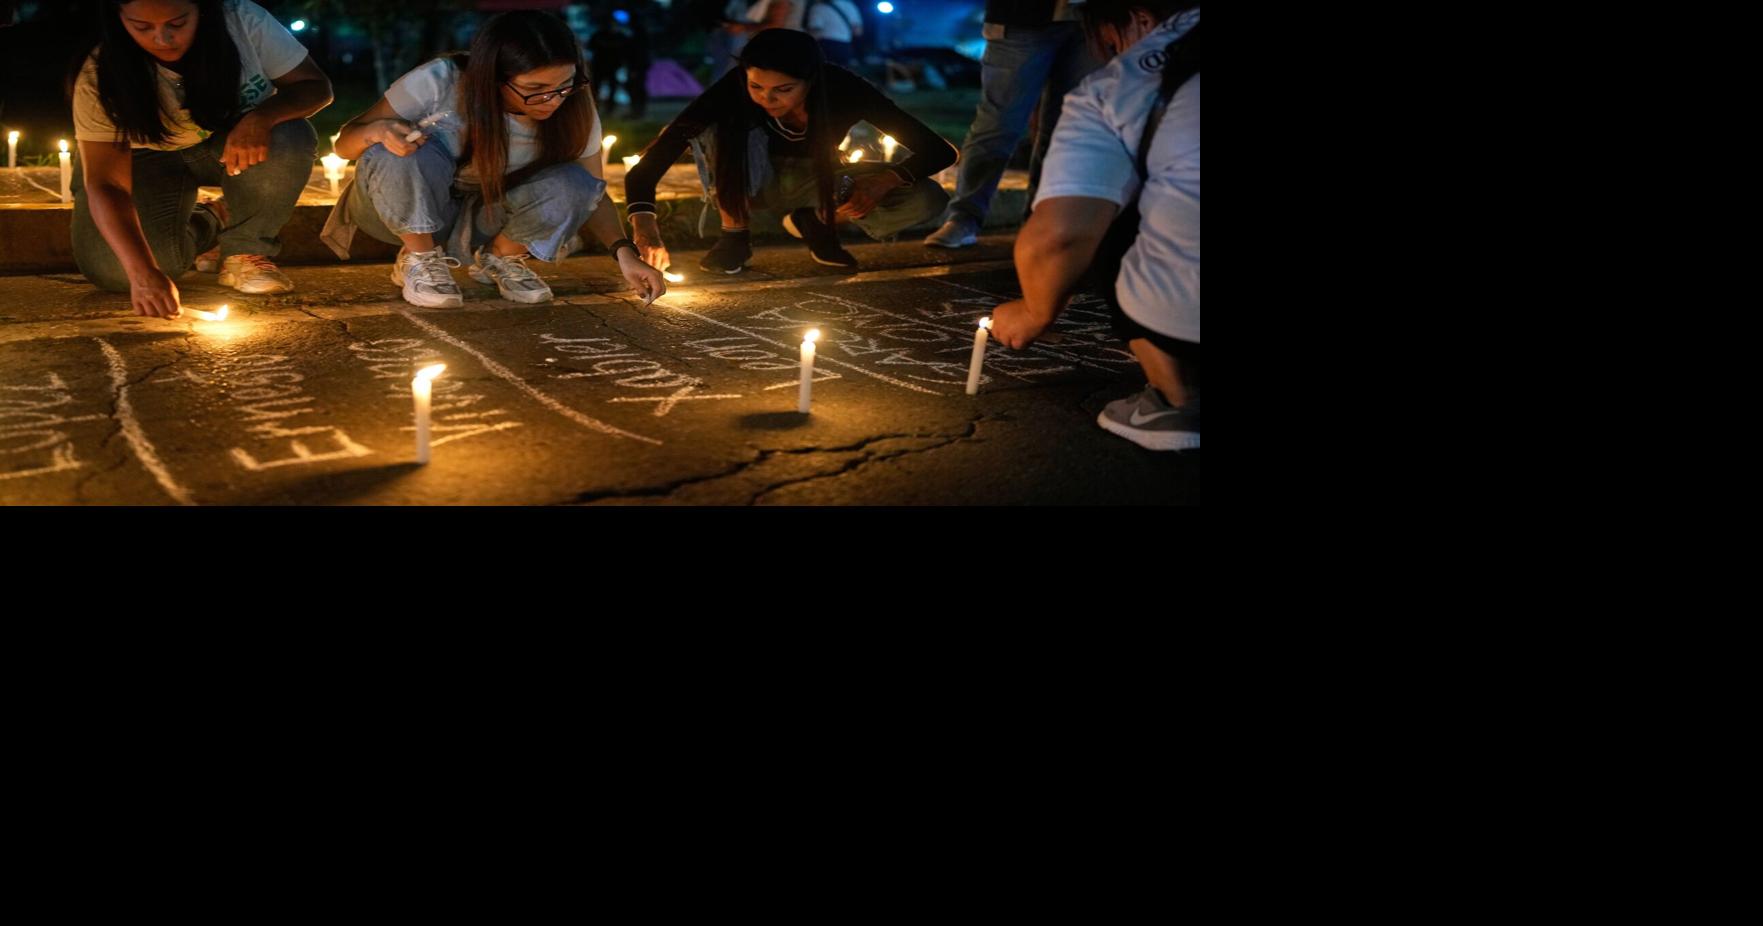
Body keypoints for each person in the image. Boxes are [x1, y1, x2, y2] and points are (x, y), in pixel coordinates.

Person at [322, 9, 664, 309]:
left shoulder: (573, 103)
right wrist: (380, 131)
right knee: (395, 149)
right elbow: (346, 144)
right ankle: (419, 258)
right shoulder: (441, 81)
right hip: (398, 204)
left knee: (574, 182)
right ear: (493, 76)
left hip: (485, 216)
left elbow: (591, 191)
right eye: (534, 88)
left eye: (565, 84)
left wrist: (625, 254)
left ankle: (501, 259)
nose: (553, 99)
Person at [989, 1, 1199, 450]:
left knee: (1108, 214)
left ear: (1139, 19)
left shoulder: (1117, 85)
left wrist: (1032, 311)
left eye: (1109, 42)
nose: (1109, 54)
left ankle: (1177, 401)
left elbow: (1061, 235)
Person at [71, 0, 333, 316]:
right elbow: (107, 182)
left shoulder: (242, 22)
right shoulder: (99, 71)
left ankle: (245, 251)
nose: (163, 39)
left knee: (289, 136)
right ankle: (208, 221)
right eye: (142, 27)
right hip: (142, 160)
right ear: (119, 19)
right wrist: (143, 273)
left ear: (202, 10)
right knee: (114, 270)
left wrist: (263, 117)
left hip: (231, 145)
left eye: (177, 24)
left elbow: (315, 86)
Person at [624, 27, 954, 275]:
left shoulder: (844, 89)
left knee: (929, 198)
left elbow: (939, 150)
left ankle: (816, 222)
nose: (767, 99)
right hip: (751, 181)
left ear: (811, 81)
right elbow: (653, 161)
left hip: (821, 183)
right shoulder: (731, 89)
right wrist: (646, 230)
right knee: (713, 127)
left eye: (783, 90)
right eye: (757, 87)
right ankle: (734, 236)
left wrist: (885, 179)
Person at [923, 0, 1100, 249]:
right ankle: (964, 218)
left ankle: (1040, 222)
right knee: (998, 124)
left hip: (1091, 19)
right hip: (1020, 18)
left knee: (1067, 128)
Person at [802, 0, 862, 67]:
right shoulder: (850, 6)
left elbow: (814, 31)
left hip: (825, 46)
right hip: (845, 47)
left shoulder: (818, 7)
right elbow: (857, 32)